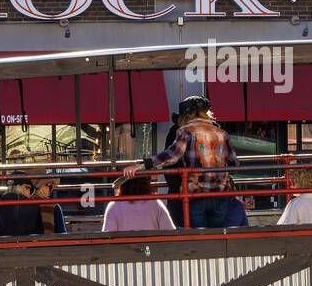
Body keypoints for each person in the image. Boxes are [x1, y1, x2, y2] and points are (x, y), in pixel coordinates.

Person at [122, 95, 246, 229]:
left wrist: (142, 165)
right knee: (216, 236)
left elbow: (170, 156)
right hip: (220, 196)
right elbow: (235, 166)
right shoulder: (222, 133)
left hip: (196, 195)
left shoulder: (185, 132)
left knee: (199, 237)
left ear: (185, 115)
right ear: (207, 113)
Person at [0, 170, 67, 235]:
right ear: (18, 187)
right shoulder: (34, 206)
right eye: (27, 188)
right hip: (34, 247)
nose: (49, 189)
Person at [103, 174, 175, 232]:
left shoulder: (114, 205)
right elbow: (169, 231)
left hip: (123, 249)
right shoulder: (156, 203)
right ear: (146, 184)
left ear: (123, 186)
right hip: (151, 248)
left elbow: (108, 235)